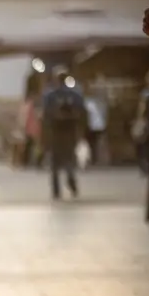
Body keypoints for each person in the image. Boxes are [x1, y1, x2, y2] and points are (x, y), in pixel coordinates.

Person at [40, 68, 86, 199]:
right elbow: (81, 112)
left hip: (55, 131)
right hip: (70, 130)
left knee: (55, 162)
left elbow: (45, 114)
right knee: (69, 159)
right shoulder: (75, 94)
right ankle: (71, 183)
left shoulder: (49, 94)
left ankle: (56, 191)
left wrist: (44, 133)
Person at [83, 91, 107, 168]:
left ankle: (95, 159)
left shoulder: (98, 103)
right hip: (92, 126)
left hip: (97, 126)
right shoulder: (89, 102)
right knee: (91, 144)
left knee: (96, 143)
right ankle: (91, 159)